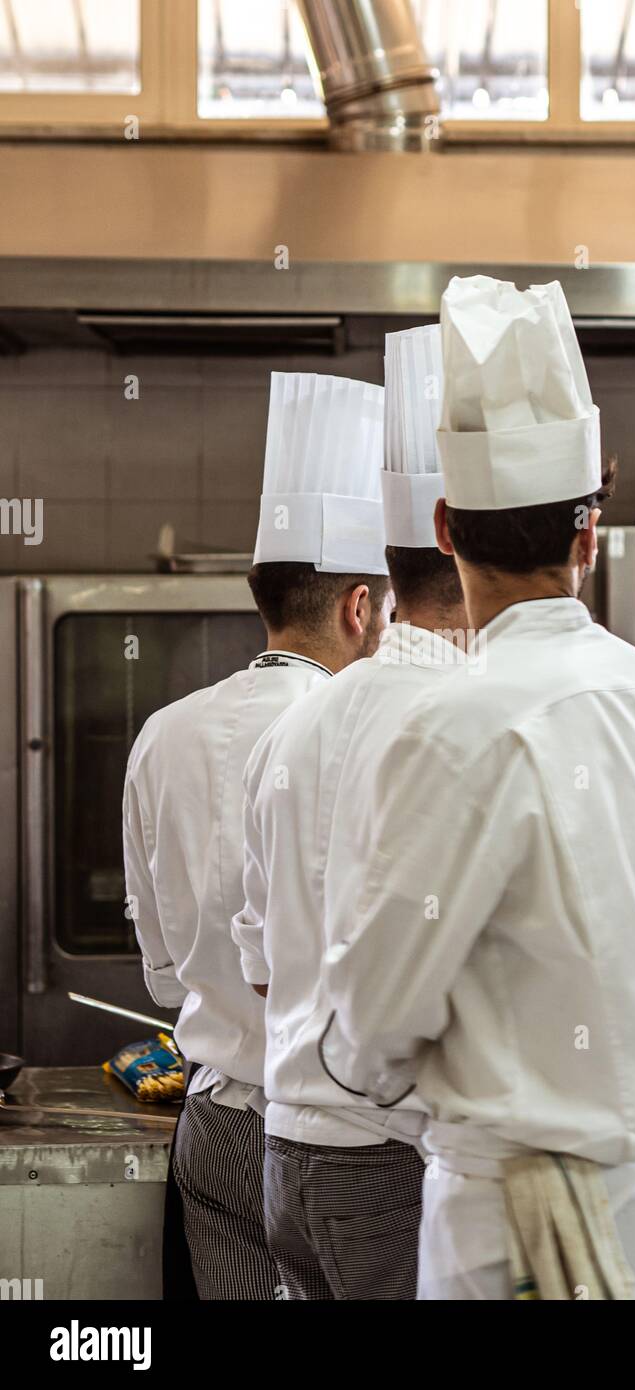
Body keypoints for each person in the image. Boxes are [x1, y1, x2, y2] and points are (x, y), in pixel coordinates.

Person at [318, 275, 635, 1301]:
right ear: (588, 536)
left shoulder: (442, 723)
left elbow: (379, 1005)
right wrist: (633, 1090)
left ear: (442, 526)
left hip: (496, 1220)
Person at [122, 372, 392, 1300]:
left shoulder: (164, 732)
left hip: (214, 1125)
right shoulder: (363, 732)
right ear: (361, 607)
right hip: (337, 1133)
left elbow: (162, 973)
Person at [231, 324, 468, 1301]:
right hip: (384, 1154)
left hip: (289, 1146)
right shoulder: (448, 719)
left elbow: (255, 953)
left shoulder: (294, 723)